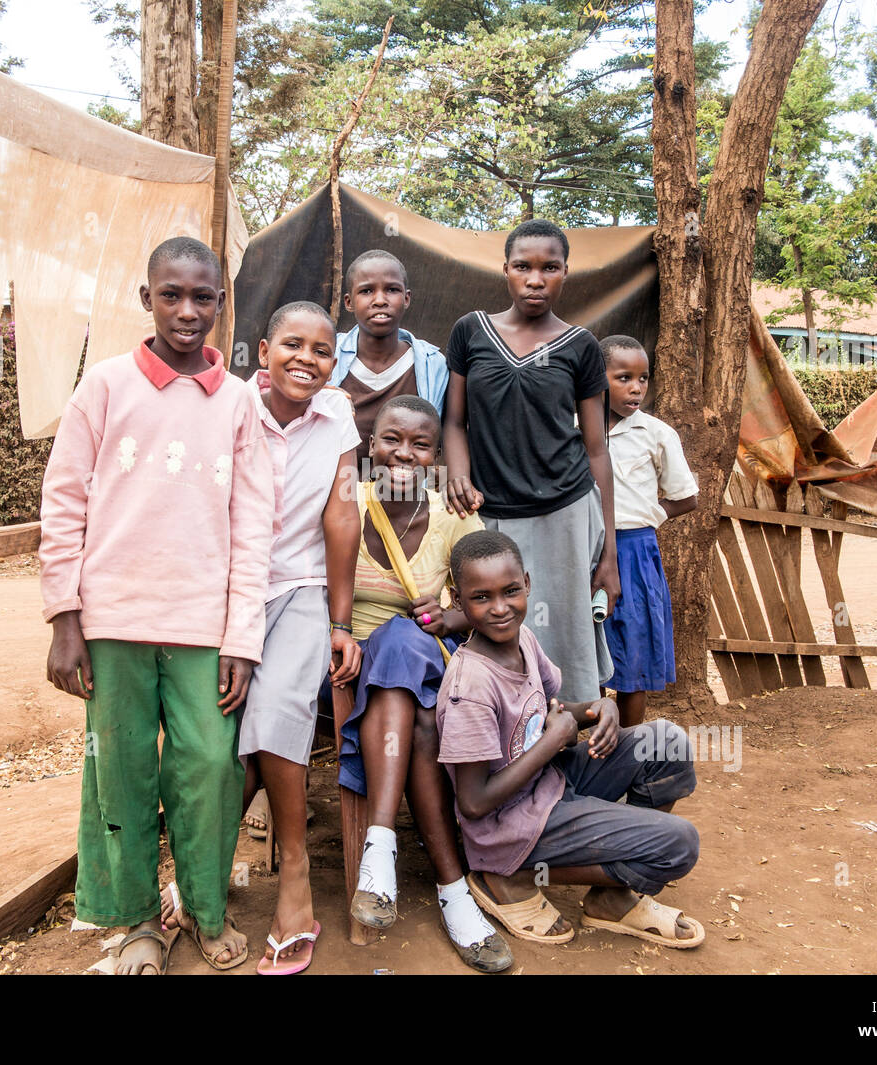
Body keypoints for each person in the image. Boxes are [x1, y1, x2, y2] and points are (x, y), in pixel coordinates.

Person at [40, 236, 275, 974]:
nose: (187, 310)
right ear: (147, 298)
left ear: (219, 303)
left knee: (209, 763)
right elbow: (63, 501)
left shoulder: (238, 401)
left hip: (205, 624)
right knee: (121, 767)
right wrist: (64, 619)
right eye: (171, 294)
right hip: (112, 621)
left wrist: (242, 636)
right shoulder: (105, 384)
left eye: (202, 297)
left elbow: (253, 523)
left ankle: (204, 908)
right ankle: (137, 915)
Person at [437, 530, 705, 949]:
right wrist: (552, 740)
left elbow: (556, 712)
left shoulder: (521, 639)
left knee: (667, 743)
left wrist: (603, 708)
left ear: (527, 582)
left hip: (552, 782)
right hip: (511, 827)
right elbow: (473, 804)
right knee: (678, 843)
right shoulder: (469, 687)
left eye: (510, 591)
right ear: (456, 600)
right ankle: (511, 875)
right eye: (481, 597)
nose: (501, 608)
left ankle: (611, 895)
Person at [334, 394, 512, 973]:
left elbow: (485, 607)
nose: (402, 454)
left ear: (437, 456)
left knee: (403, 640)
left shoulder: (455, 516)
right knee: (424, 723)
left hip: (427, 658)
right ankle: (452, 890)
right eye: (391, 439)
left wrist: (450, 615)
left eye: (419, 445)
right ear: (370, 442)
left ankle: (379, 849)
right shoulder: (344, 500)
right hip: (348, 666)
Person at [236, 300, 362, 975]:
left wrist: (340, 622)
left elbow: (343, 517)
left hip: (305, 587)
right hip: (233, 590)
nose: (306, 358)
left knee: (281, 702)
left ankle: (293, 873)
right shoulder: (230, 408)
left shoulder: (336, 414)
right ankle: (200, 868)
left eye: (321, 349)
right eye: (292, 344)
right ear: (263, 351)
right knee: (218, 726)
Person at [441, 218, 616, 702]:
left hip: (565, 510)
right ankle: (501, 748)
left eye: (550, 268)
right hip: (491, 515)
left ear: (566, 273)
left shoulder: (581, 346)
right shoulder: (470, 331)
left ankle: (566, 753)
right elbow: (453, 422)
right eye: (523, 266)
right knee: (494, 631)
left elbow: (597, 449)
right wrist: (459, 473)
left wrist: (610, 556)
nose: (535, 279)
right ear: (505, 270)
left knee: (564, 639)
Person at [599, 335, 698, 728]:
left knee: (632, 657)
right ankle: (586, 758)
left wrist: (648, 518)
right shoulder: (573, 427)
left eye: (643, 378)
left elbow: (686, 497)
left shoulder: (655, 433)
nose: (636, 387)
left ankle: (628, 753)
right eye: (624, 377)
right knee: (587, 653)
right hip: (585, 552)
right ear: (597, 377)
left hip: (635, 553)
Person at [329, 250, 449, 470]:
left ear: (406, 298)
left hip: (404, 496)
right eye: (366, 291)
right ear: (349, 301)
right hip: (333, 493)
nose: (380, 300)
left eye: (392, 290)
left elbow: (445, 433)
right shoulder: (327, 356)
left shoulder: (433, 365)